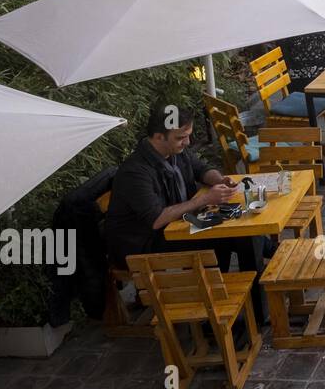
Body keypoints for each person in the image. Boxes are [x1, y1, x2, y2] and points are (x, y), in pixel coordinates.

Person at [104, 101, 270, 322]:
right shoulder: (136, 172)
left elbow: (201, 169)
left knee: (243, 229)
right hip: (146, 242)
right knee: (226, 236)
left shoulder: (175, 152)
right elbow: (156, 219)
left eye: (188, 135)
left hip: (178, 226)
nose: (187, 142)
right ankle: (220, 309)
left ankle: (253, 309)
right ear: (158, 136)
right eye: (181, 138)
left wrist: (219, 180)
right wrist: (204, 199)